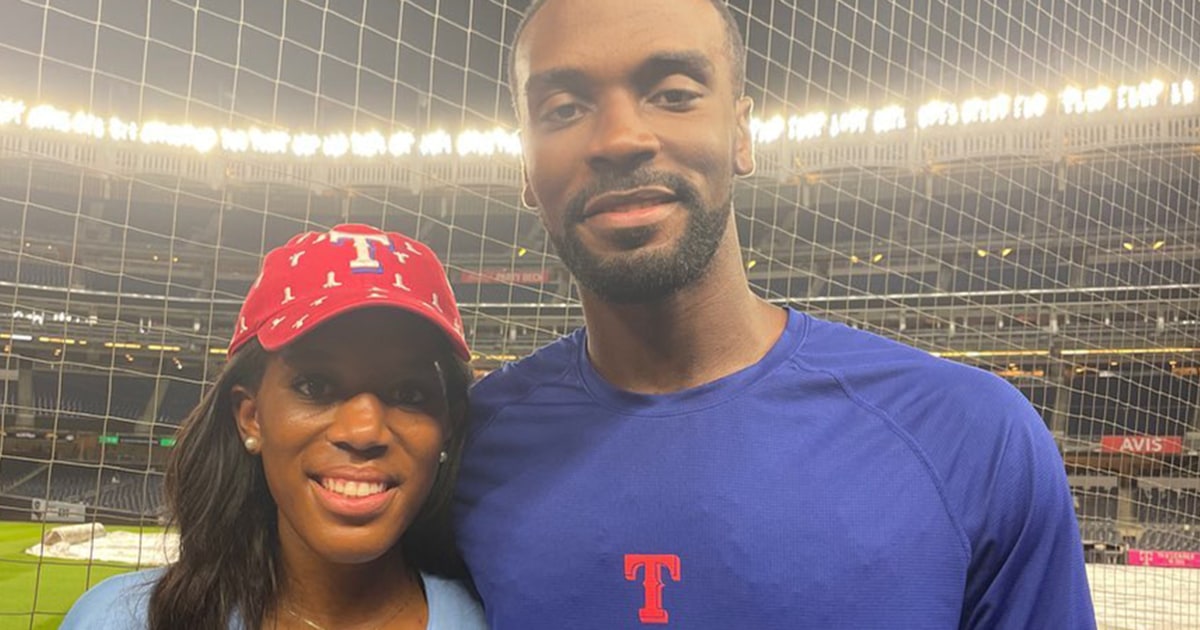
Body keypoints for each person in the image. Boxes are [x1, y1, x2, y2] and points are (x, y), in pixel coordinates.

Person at [453, 0, 1096, 628]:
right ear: (526, 168)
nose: (621, 138)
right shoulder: (460, 455)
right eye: (563, 109)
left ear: (741, 133)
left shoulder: (970, 436)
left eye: (674, 94)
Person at [63, 224, 487, 629]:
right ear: (251, 417)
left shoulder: (504, 620)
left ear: (447, 425)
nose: (363, 432)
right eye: (314, 385)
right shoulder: (118, 620)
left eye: (409, 394)